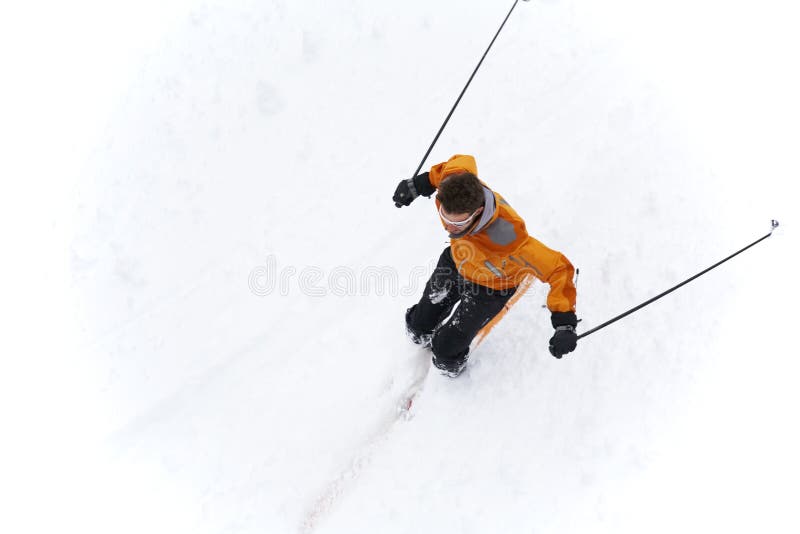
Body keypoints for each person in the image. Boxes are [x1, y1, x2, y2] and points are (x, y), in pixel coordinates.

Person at [392, 154, 578, 377]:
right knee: (418, 324)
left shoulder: (510, 238)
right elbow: (460, 161)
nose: (449, 228)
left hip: (490, 286)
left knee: (445, 348)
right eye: (445, 217)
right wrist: (418, 184)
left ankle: (449, 368)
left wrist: (564, 324)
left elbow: (559, 269)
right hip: (457, 259)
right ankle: (419, 337)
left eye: (458, 223)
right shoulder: (453, 185)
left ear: (477, 212)